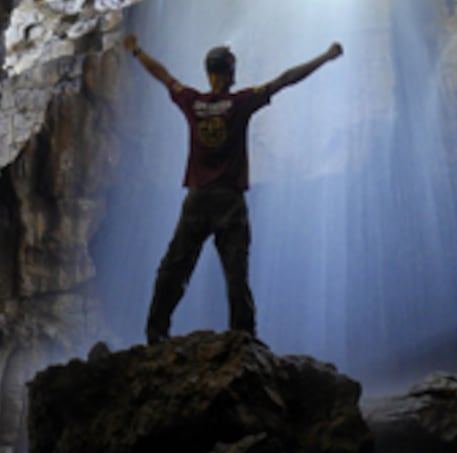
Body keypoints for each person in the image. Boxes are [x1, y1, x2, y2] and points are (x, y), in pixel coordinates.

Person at [123, 30, 343, 344]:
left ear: (209, 73)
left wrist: (137, 51)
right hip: (229, 201)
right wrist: (325, 56)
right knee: (236, 275)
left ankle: (156, 332)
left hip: (197, 198)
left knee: (174, 268)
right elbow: (285, 79)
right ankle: (244, 338)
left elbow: (164, 76)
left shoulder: (192, 101)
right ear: (230, 74)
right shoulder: (240, 103)